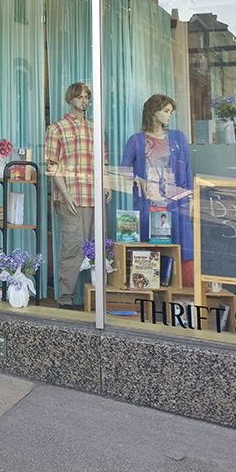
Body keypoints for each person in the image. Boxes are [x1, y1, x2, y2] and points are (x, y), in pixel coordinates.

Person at [45, 82, 110, 310]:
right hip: (71, 197)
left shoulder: (95, 128)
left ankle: (97, 296)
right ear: (70, 99)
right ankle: (66, 298)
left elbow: (102, 160)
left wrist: (107, 183)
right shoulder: (57, 129)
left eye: (87, 97)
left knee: (99, 246)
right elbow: (52, 165)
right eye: (80, 97)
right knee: (72, 248)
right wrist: (64, 193)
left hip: (95, 196)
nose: (84, 100)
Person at [121, 94, 194, 284]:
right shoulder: (136, 140)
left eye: (171, 111)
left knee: (175, 243)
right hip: (148, 200)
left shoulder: (178, 137)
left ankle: (174, 288)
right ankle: (149, 287)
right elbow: (123, 169)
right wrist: (136, 178)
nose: (170, 115)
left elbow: (186, 169)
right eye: (166, 111)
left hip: (173, 200)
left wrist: (190, 196)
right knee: (149, 245)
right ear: (154, 112)